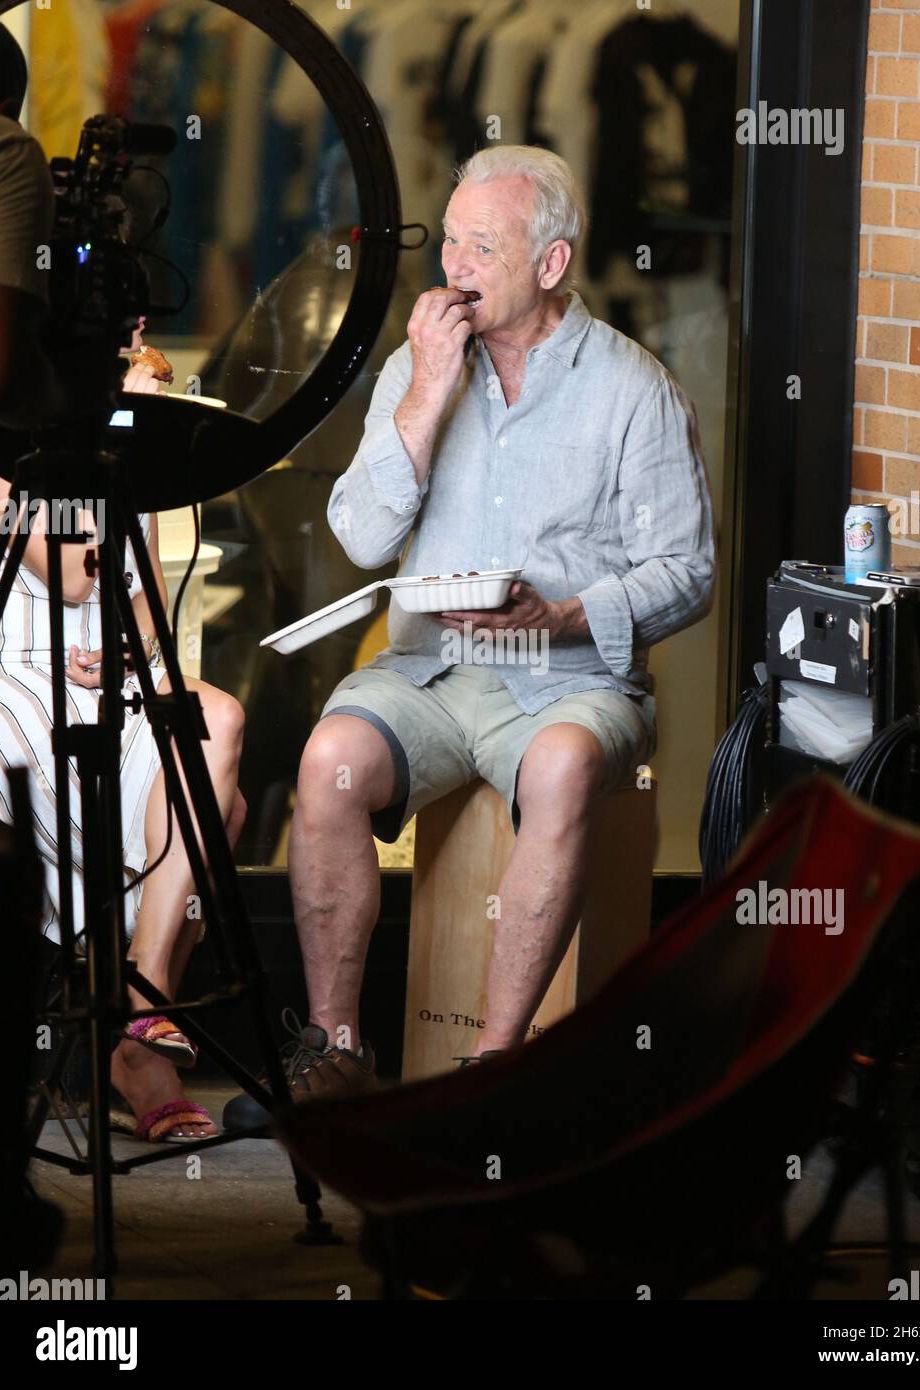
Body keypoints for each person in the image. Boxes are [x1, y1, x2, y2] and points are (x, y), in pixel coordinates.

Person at [230, 143, 715, 1122]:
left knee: (566, 766)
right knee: (329, 758)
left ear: (551, 263)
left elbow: (691, 571)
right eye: (449, 242)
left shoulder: (634, 388)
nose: (452, 268)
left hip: (570, 676)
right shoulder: (418, 366)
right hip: (435, 667)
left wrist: (567, 613)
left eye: (480, 248)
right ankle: (336, 1050)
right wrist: (425, 392)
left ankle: (496, 1074)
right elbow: (361, 535)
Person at [0, 18, 244, 1142]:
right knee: (197, 805)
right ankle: (113, 1042)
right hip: (6, 660)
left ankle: (139, 1022)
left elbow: (125, 588)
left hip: (95, 655)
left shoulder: (81, 411)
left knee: (212, 734)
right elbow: (69, 562)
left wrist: (143, 657)